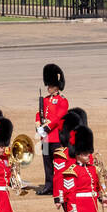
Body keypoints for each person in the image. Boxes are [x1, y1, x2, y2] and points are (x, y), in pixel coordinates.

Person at [34, 63, 68, 195]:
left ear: (57, 86)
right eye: (48, 85)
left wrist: (46, 127)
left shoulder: (62, 101)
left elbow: (59, 118)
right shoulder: (46, 100)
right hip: (45, 137)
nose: (49, 88)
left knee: (58, 163)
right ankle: (49, 185)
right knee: (47, 162)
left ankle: (60, 186)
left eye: (51, 86)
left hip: (55, 136)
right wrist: (38, 123)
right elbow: (40, 113)